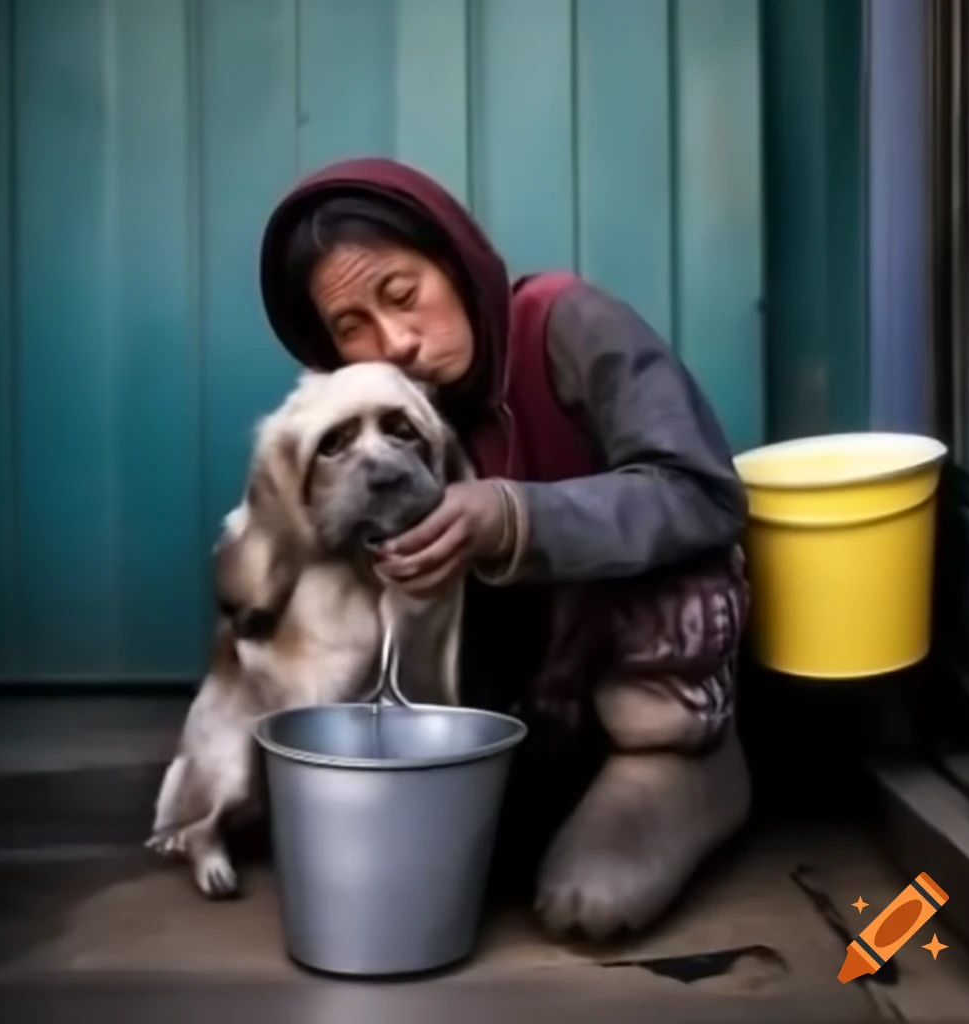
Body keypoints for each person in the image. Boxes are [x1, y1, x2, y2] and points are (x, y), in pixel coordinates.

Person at [258, 157, 752, 940]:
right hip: (528, 705)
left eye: (403, 294)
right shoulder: (395, 423)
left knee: (681, 561)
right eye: (352, 329)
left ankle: (682, 767)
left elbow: (703, 492)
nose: (396, 342)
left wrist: (512, 517)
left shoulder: (567, 324)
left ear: (455, 261)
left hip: (636, 675)